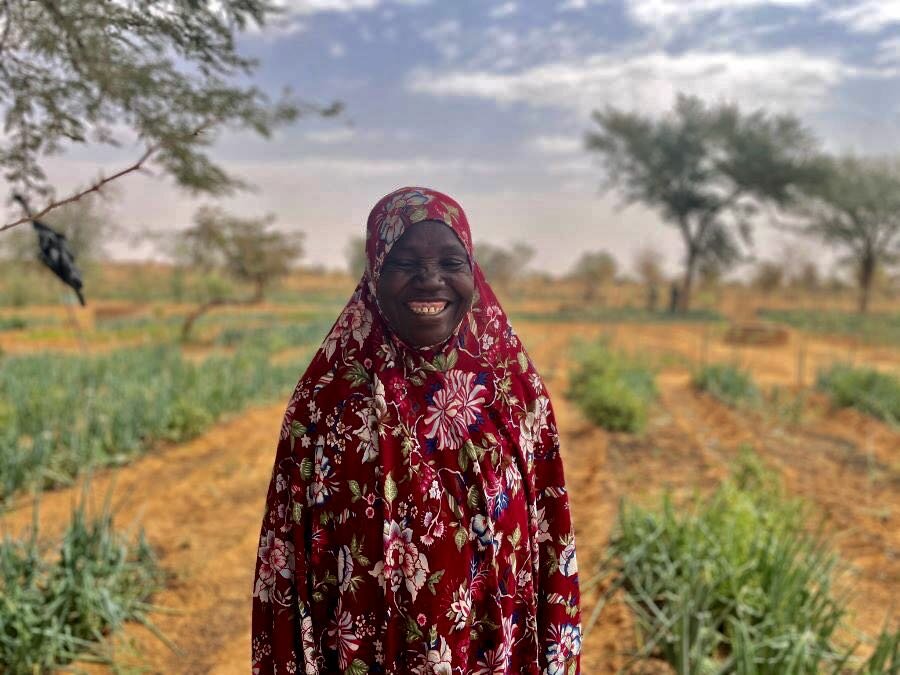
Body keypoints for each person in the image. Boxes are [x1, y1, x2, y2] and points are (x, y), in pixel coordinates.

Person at [251, 187, 581, 674]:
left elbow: (551, 546)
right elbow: (286, 565)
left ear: (473, 272)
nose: (430, 280)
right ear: (375, 272)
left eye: (451, 262)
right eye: (405, 264)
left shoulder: (516, 398)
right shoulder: (325, 403)